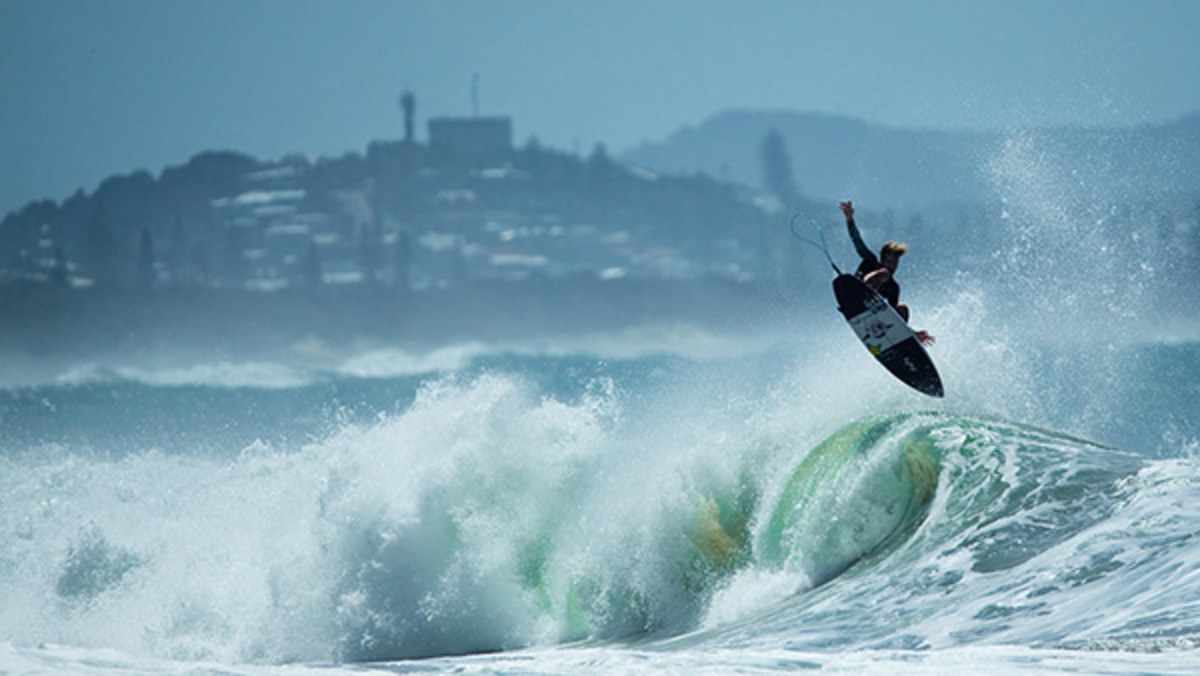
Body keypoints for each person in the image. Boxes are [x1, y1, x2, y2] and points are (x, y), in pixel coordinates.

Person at [840, 200, 935, 346]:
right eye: (889, 261)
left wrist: (912, 333)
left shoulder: (893, 287)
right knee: (884, 274)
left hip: (873, 315)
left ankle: (900, 341)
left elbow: (895, 319)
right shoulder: (871, 261)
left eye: (895, 262)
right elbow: (857, 241)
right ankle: (864, 292)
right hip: (855, 295)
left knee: (902, 309)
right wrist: (849, 219)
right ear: (882, 259)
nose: (893, 266)